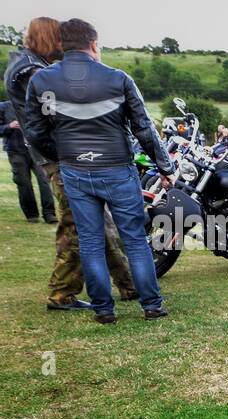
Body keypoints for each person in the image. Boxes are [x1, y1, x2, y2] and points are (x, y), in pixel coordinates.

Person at [25, 18, 175, 324]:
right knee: (134, 238)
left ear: (63, 45)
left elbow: (36, 133)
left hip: (75, 170)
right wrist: (164, 167)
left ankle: (104, 309)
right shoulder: (118, 78)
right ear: (94, 44)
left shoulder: (41, 82)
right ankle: (152, 305)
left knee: (90, 240)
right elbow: (144, 129)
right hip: (118, 168)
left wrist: (64, 155)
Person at [5, 16, 138, 310]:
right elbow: (52, 123)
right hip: (62, 159)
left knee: (97, 221)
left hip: (62, 157)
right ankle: (63, 292)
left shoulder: (28, 66)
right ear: (51, 39)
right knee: (77, 223)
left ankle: (129, 284)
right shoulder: (33, 72)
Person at [0, 98, 56, 223]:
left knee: (44, 181)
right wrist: (8, 126)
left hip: (37, 150)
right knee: (23, 183)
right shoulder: (3, 107)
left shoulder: (34, 104)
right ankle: (31, 215)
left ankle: (49, 214)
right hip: (16, 151)